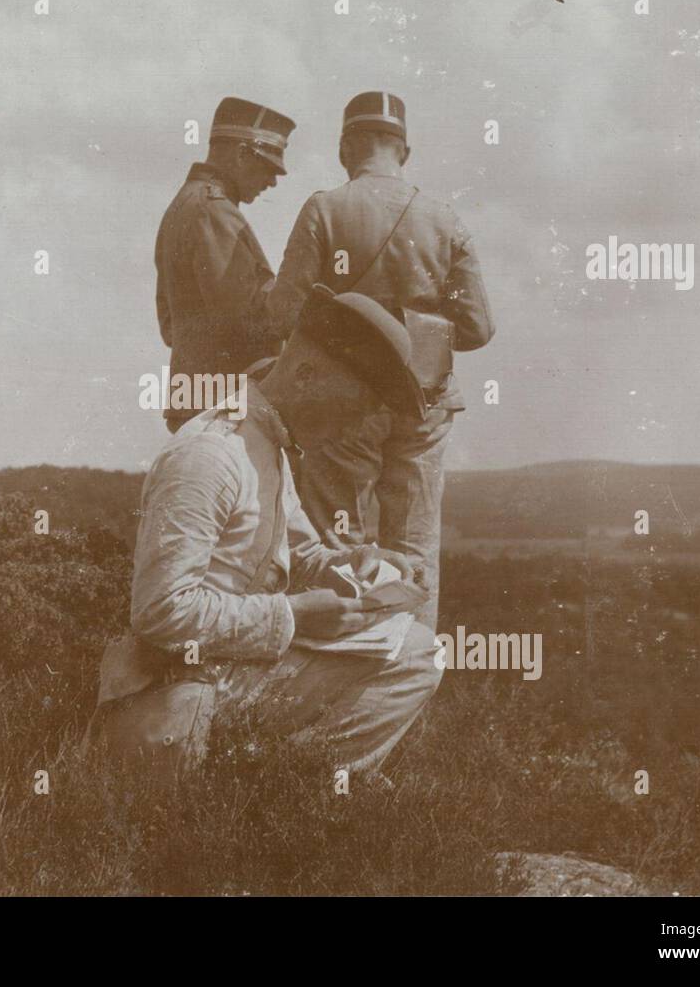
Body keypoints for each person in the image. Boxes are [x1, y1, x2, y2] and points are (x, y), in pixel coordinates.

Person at [88, 287, 445, 781]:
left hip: (226, 668)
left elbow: (299, 552)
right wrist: (293, 616)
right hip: (185, 683)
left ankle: (294, 784)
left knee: (413, 646)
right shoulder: (210, 455)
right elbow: (160, 612)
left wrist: (360, 562)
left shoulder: (266, 444)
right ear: (304, 375)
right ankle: (303, 789)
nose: (352, 429)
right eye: (353, 407)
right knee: (418, 654)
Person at [266, 91, 495, 631]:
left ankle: (338, 684)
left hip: (341, 406)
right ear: (404, 152)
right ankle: (410, 675)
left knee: (336, 546)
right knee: (414, 549)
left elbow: (282, 314)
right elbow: (480, 327)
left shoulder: (325, 208)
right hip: (424, 403)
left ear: (347, 148)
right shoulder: (445, 218)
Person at [153, 96, 295, 433]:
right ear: (242, 153)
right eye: (268, 166)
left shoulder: (187, 204)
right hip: (224, 406)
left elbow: (169, 324)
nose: (272, 182)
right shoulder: (212, 212)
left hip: (200, 398)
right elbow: (249, 320)